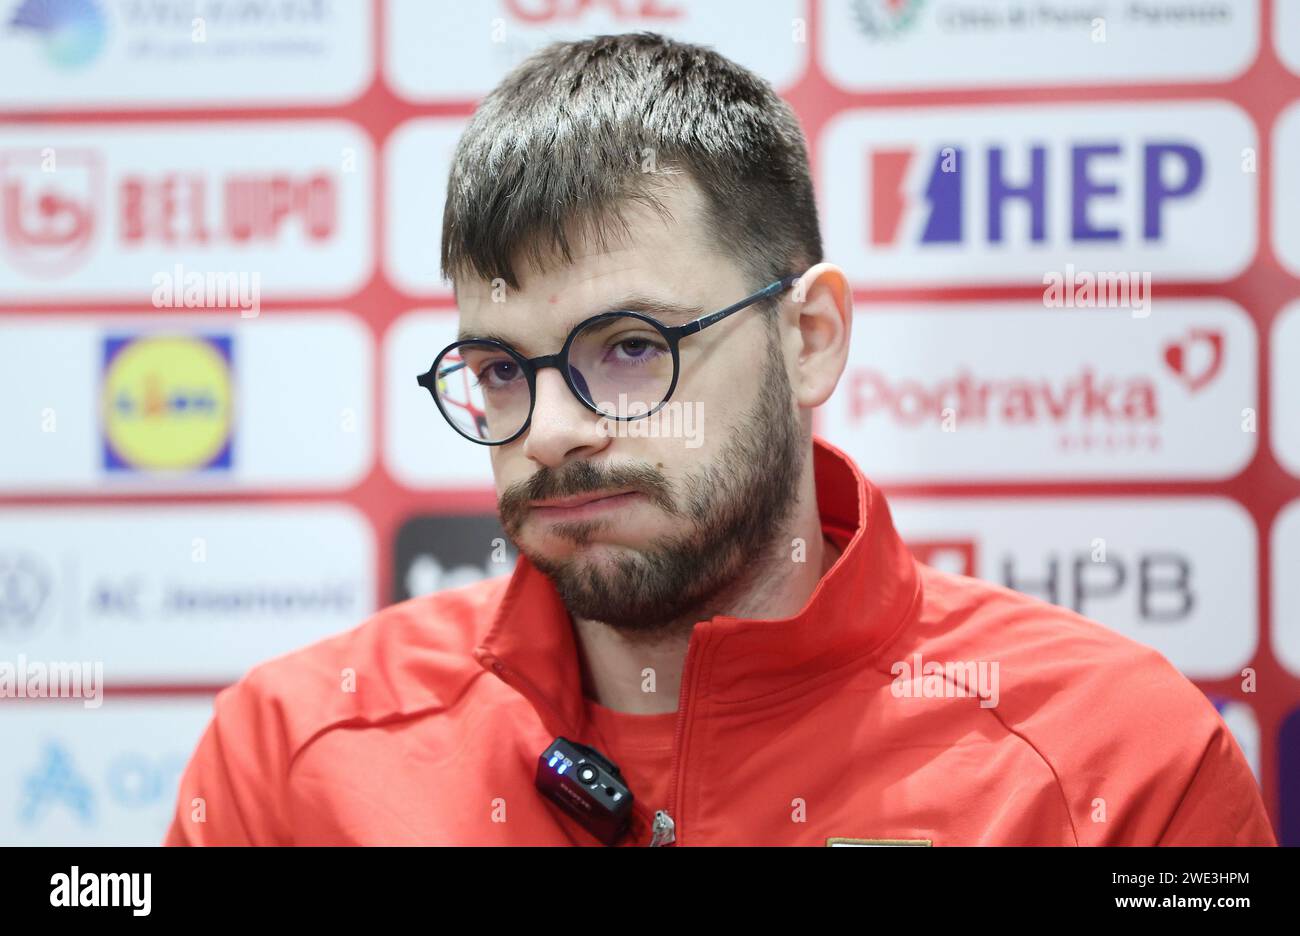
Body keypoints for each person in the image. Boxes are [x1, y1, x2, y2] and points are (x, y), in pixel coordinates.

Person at [165, 32, 1275, 846]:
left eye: (630, 348)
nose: (549, 432)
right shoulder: (295, 752)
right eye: (502, 370)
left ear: (809, 338)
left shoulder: (1120, 763)